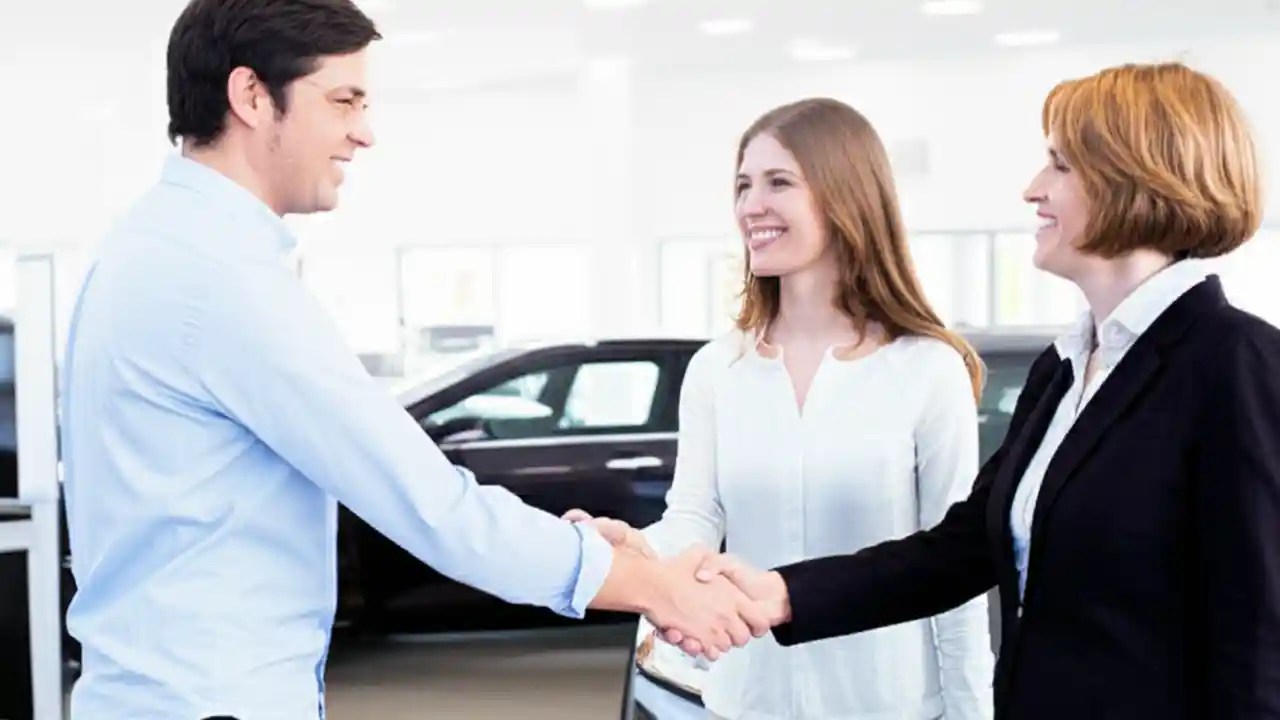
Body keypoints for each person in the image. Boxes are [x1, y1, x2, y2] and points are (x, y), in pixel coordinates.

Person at [59, 2, 766, 718]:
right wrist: (652, 586)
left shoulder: (148, 245)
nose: (363, 132)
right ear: (249, 96)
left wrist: (611, 557)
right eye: (342, 101)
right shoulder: (218, 277)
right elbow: (432, 507)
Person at [682, 62, 1280, 719]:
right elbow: (960, 552)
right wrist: (784, 593)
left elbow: (1257, 639)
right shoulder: (1066, 370)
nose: (1033, 189)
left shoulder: (1234, 363)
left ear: (1135, 177)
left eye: (1058, 165)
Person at [568, 98, 995, 719]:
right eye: (743, 185)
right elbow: (694, 518)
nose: (750, 206)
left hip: (887, 706)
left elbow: (954, 570)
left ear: (844, 194)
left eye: (778, 182)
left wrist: (971, 712)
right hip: (744, 702)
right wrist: (633, 551)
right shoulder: (720, 368)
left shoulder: (926, 368)